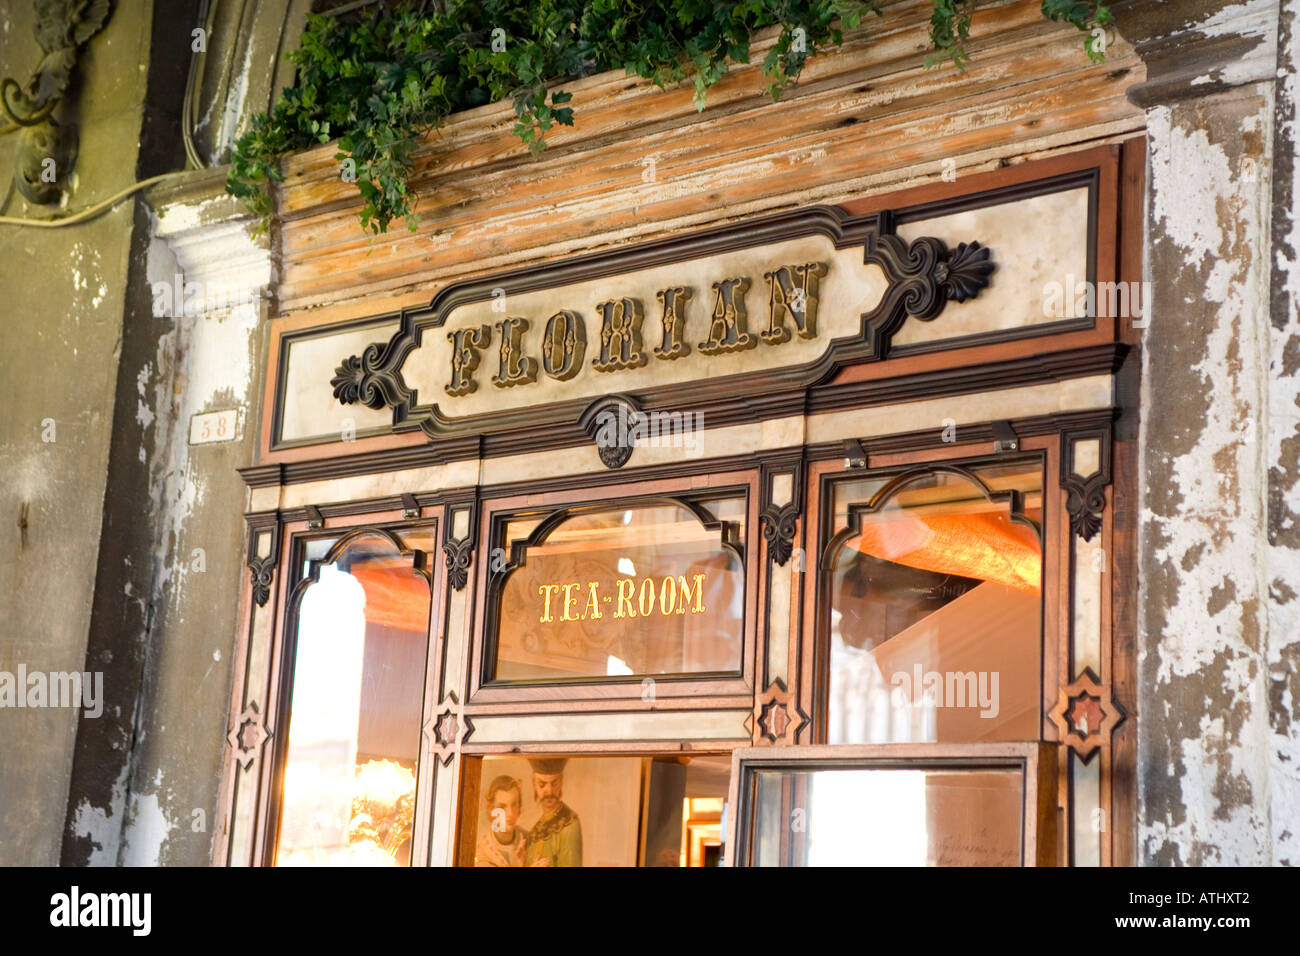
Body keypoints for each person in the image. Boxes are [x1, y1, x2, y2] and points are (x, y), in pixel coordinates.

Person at [523, 758, 583, 867]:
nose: (549, 791)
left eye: (554, 783)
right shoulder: (535, 829)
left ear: (561, 782)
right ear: (534, 784)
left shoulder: (570, 825)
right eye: (542, 784)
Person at [474, 775, 530, 867]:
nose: (510, 813)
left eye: (514, 805)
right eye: (502, 807)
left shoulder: (528, 839)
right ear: (492, 809)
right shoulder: (483, 855)